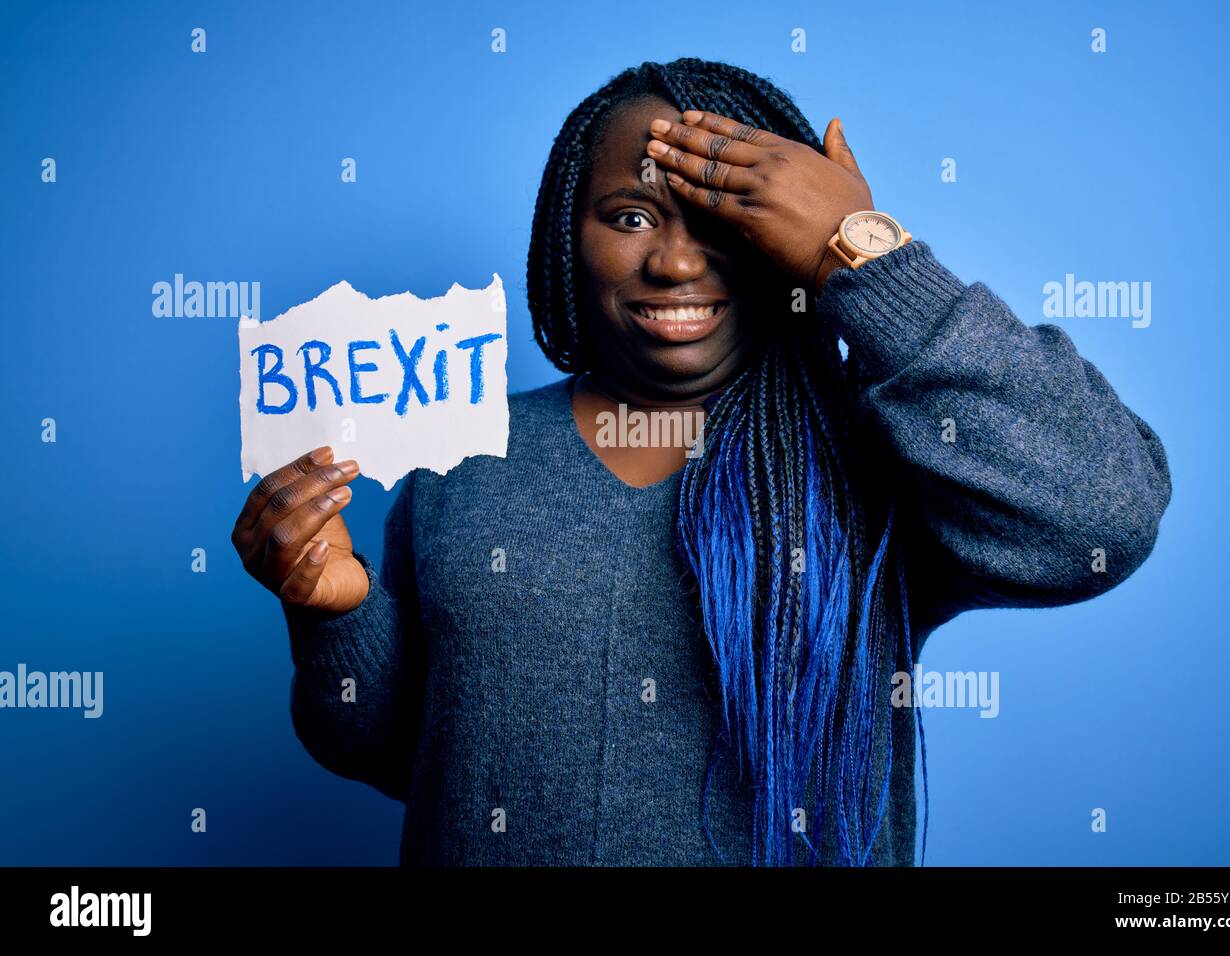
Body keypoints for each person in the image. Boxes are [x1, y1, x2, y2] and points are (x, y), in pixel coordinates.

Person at [230, 58, 1172, 866]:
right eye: (631, 217)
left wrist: (866, 257)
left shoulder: (882, 456)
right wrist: (334, 616)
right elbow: (414, 757)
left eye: (726, 221)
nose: (677, 265)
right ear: (570, 238)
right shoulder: (467, 460)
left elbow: (1103, 515)